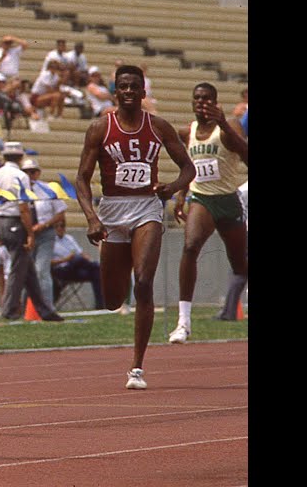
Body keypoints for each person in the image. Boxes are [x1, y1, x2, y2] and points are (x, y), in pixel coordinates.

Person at [74, 64, 195, 390]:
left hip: (146, 208)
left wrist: (171, 188)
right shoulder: (100, 128)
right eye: (123, 86)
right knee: (113, 299)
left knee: (143, 281)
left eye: (134, 87)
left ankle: (137, 367)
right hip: (112, 211)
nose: (128, 91)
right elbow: (81, 178)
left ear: (143, 92)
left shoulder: (159, 127)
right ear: (115, 91)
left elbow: (188, 168)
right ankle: (120, 297)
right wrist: (92, 218)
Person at [168, 82, 249, 344]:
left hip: (228, 201)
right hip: (202, 199)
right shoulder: (188, 132)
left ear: (215, 103)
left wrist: (224, 124)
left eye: (206, 98)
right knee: (190, 247)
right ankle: (183, 322)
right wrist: (181, 195)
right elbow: (190, 166)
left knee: (240, 265)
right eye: (197, 98)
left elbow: (246, 154)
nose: (201, 102)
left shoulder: (229, 126)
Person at [0, 141, 64, 322]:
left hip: (2, 220)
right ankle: (9, 308)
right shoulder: (20, 177)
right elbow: (24, 208)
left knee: (28, 270)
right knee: (17, 266)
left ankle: (44, 310)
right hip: (16, 222)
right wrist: (30, 233)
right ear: (21, 157)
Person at [21, 157, 66, 308]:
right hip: (25, 234)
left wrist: (44, 224)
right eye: (26, 172)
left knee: (41, 270)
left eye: (32, 172)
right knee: (25, 271)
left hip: (45, 233)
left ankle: (46, 306)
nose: (29, 175)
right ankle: (23, 307)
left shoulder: (48, 189)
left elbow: (60, 213)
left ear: (38, 173)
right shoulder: (18, 191)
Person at [50, 221, 105, 310]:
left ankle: (100, 305)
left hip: (75, 268)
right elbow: (48, 262)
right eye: (57, 226)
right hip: (61, 270)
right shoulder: (50, 241)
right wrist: (66, 259)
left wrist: (88, 259)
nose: (60, 228)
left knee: (96, 273)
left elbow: (81, 253)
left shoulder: (69, 238)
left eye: (62, 226)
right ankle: (95, 265)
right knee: (77, 259)